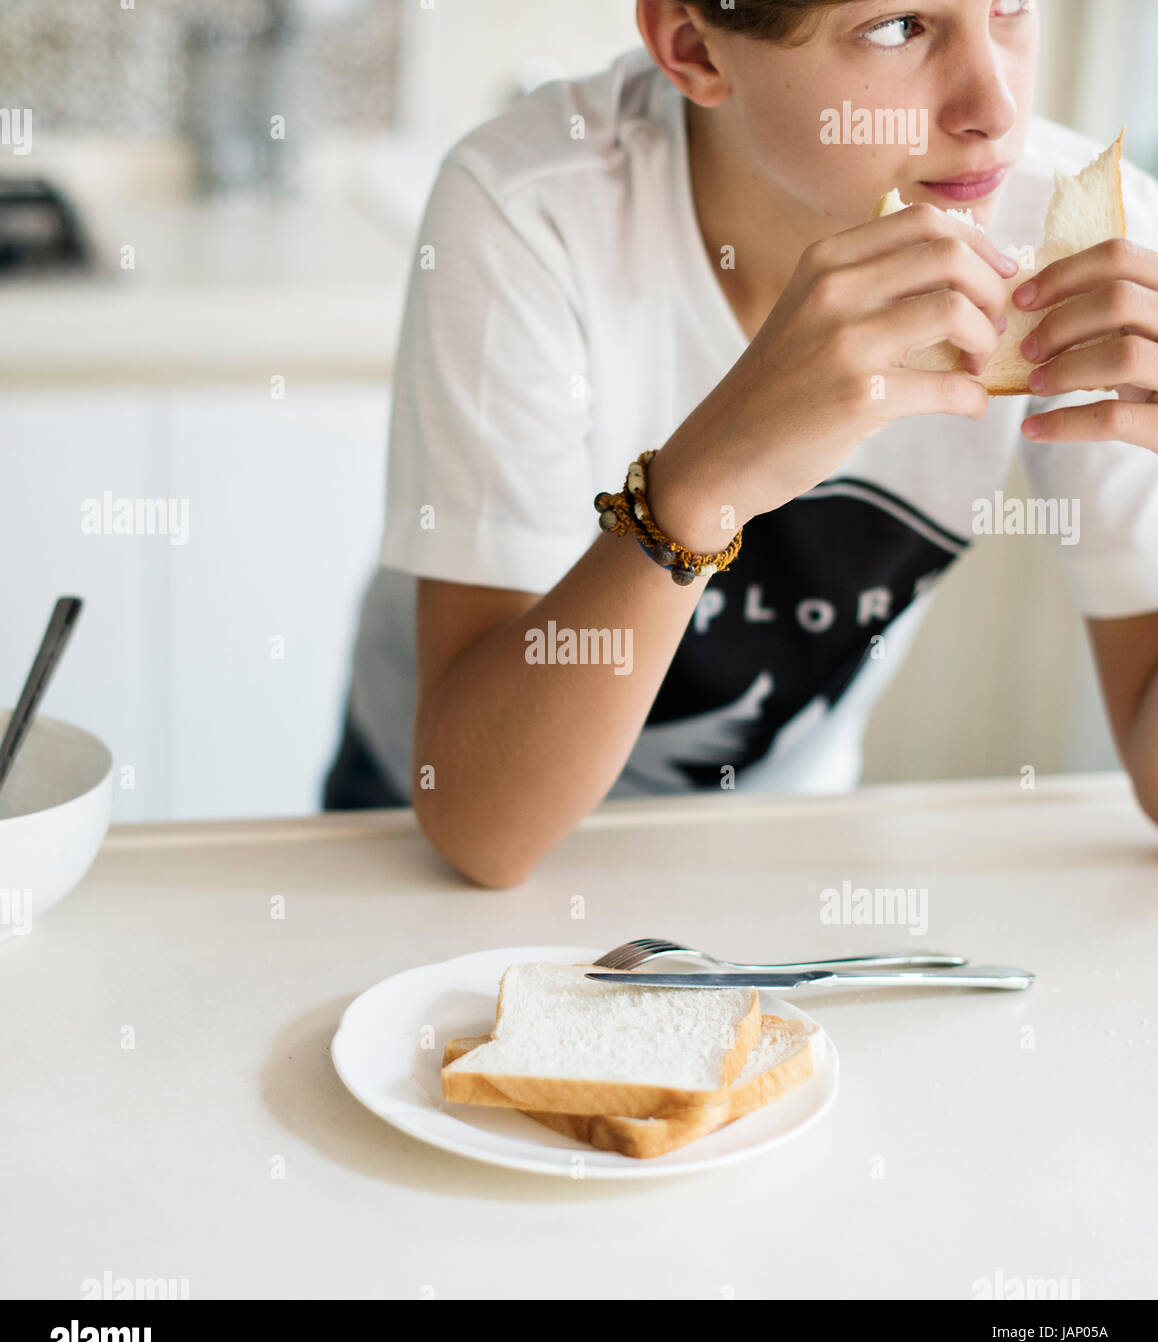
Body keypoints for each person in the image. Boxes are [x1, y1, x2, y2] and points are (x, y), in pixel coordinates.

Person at [324, 0, 1158, 886]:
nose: (995, 108)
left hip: (775, 844)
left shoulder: (1094, 246)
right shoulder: (531, 210)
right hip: (426, 833)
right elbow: (482, 830)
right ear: (693, 48)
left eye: (1011, 8)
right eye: (898, 27)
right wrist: (699, 487)